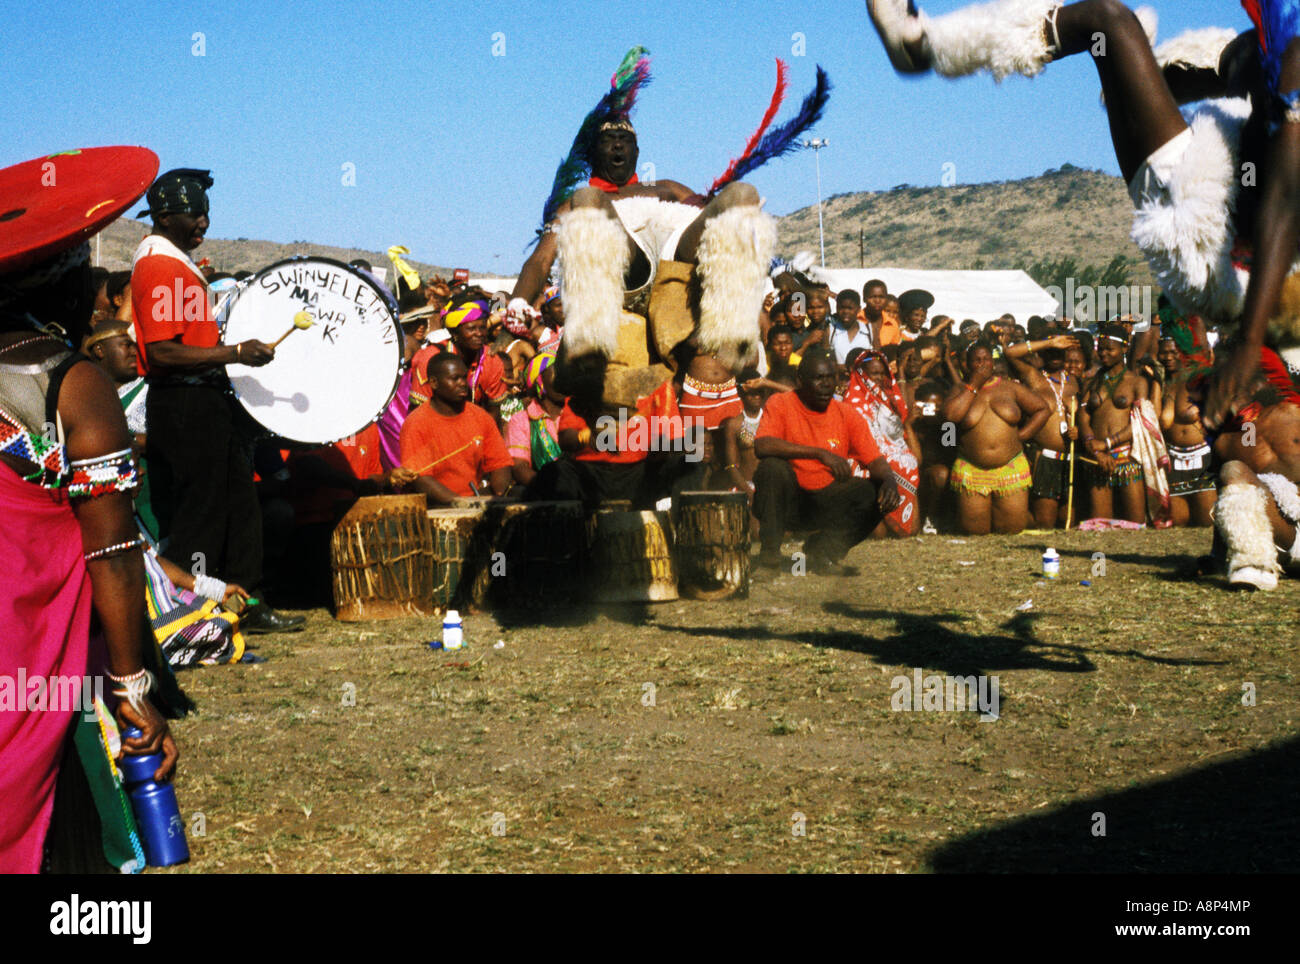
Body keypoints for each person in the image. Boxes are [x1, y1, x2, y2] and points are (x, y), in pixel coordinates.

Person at [865, 0, 1300, 435]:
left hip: (1211, 244)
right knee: (1117, 32)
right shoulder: (1268, 45)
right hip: (1215, 196)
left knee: (1109, 24)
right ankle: (924, 47)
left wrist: (1246, 345)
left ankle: (923, 48)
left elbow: (1283, 200)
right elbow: (1210, 73)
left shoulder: (1294, 61)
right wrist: (1140, 75)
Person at [0, 145, 177, 872]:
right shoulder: (69, 381)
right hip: (36, 657)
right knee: (64, 843)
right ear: (65, 286)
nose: (105, 300)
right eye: (95, 282)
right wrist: (134, 686)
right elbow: (109, 546)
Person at [129, 168, 302, 634]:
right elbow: (164, 350)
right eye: (195, 214)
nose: (204, 222)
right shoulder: (160, 266)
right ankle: (190, 612)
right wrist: (235, 352)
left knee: (238, 503)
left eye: (206, 213)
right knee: (200, 510)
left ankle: (244, 601)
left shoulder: (176, 263)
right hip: (184, 404)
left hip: (204, 399)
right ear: (165, 217)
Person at [752, 350, 902, 573]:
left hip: (826, 499)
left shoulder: (846, 413)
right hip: (788, 501)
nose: (826, 384)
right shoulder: (780, 403)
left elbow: (875, 459)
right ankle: (769, 559)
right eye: (818, 378)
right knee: (772, 468)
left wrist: (890, 480)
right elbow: (762, 446)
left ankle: (822, 553)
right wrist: (819, 453)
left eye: (830, 377)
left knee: (875, 492)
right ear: (800, 381)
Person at [942, 340, 1049, 534]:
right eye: (977, 360)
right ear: (967, 364)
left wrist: (1023, 435)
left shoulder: (1010, 388)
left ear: (993, 362)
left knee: (1011, 530)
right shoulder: (959, 390)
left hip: (1010, 467)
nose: (983, 364)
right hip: (971, 470)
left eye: (987, 359)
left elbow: (1042, 409)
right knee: (975, 532)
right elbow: (949, 418)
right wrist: (973, 384)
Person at [399, 352, 513, 505]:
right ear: (433, 382)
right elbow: (420, 478)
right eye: (454, 379)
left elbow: (500, 463)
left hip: (476, 501)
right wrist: (461, 504)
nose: (462, 383)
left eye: (464, 377)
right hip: (434, 508)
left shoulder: (480, 416)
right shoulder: (416, 422)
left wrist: (499, 495)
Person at [1211, 397, 1300, 588]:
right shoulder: (1234, 436)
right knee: (1233, 470)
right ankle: (1255, 565)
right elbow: (1230, 499)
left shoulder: (1294, 411)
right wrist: (1216, 557)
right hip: (1286, 536)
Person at [1006, 330, 1083, 528]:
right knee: (1045, 523)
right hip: (1046, 458)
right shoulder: (1034, 378)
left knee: (1068, 522)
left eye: (1060, 351)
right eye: (1051, 352)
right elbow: (1010, 353)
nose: (1055, 356)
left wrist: (1079, 431)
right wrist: (1049, 343)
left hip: (1072, 459)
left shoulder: (1075, 381)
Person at [843, 350, 922, 536]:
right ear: (862, 375)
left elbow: (898, 434)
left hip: (892, 454)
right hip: (863, 461)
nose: (878, 378)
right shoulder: (850, 402)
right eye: (874, 374)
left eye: (882, 373)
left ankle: (902, 523)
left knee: (908, 463)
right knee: (877, 534)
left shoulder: (888, 399)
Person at [1078, 325, 1151, 523]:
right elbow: (1083, 417)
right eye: (1100, 349)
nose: (1103, 353)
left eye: (1109, 349)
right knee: (1099, 526)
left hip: (1127, 459)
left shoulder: (1137, 382)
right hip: (1097, 459)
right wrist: (1095, 447)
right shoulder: (1091, 382)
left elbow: (1141, 422)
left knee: (1135, 525)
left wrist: (1107, 444)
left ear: (1124, 349)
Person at [1158, 336, 1216, 526]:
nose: (1168, 357)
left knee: (1207, 522)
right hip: (1173, 461)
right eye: (1163, 352)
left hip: (1202, 458)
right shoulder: (1163, 384)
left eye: (1173, 352)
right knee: (1177, 522)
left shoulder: (1202, 380)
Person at [505, 352, 564, 486]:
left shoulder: (576, 412)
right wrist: (550, 488)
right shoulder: (521, 420)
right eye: (557, 375)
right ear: (540, 381)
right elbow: (519, 468)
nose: (563, 381)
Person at [829, 289, 873, 363]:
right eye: (842, 308)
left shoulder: (868, 330)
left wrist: (863, 363)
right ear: (836, 308)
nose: (846, 311)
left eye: (850, 308)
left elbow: (877, 358)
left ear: (859, 309)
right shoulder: (831, 329)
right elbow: (825, 358)